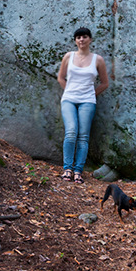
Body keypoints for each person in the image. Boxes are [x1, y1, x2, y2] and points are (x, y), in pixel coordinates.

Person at [57, 27, 109, 183]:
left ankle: (78, 171)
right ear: (75, 41)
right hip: (69, 99)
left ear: (90, 39)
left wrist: (91, 94)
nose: (81, 40)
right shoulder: (69, 56)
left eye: (84, 37)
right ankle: (67, 169)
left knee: (83, 136)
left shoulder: (98, 59)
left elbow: (105, 83)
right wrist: (70, 91)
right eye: (78, 37)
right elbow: (61, 78)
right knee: (71, 132)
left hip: (88, 101)